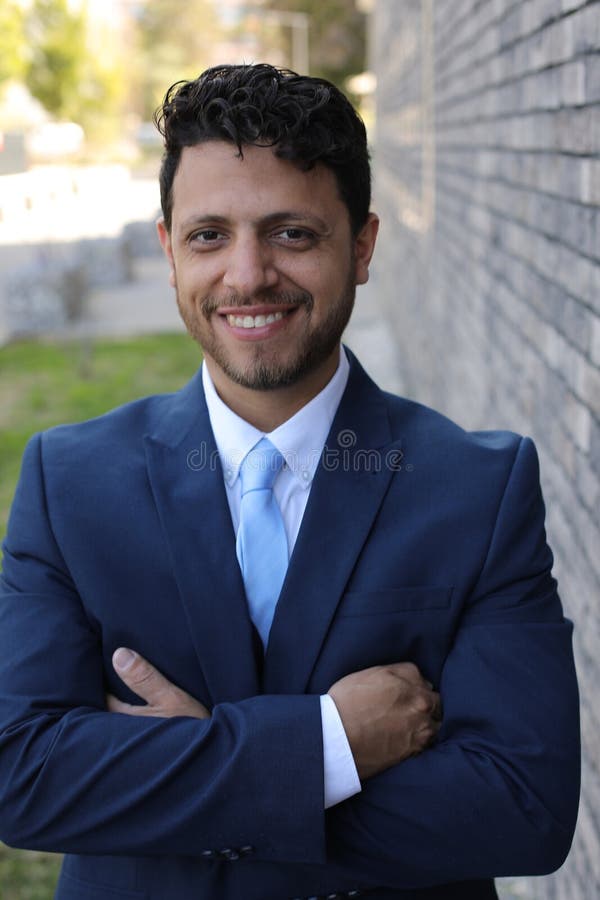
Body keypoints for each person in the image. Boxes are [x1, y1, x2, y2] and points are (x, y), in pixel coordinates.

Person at [0, 64, 579, 900]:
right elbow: (22, 776)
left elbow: (524, 807)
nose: (246, 275)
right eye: (208, 236)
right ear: (168, 251)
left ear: (364, 246)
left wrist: (190, 776)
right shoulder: (68, 483)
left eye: (291, 234)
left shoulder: (477, 490)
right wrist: (328, 748)